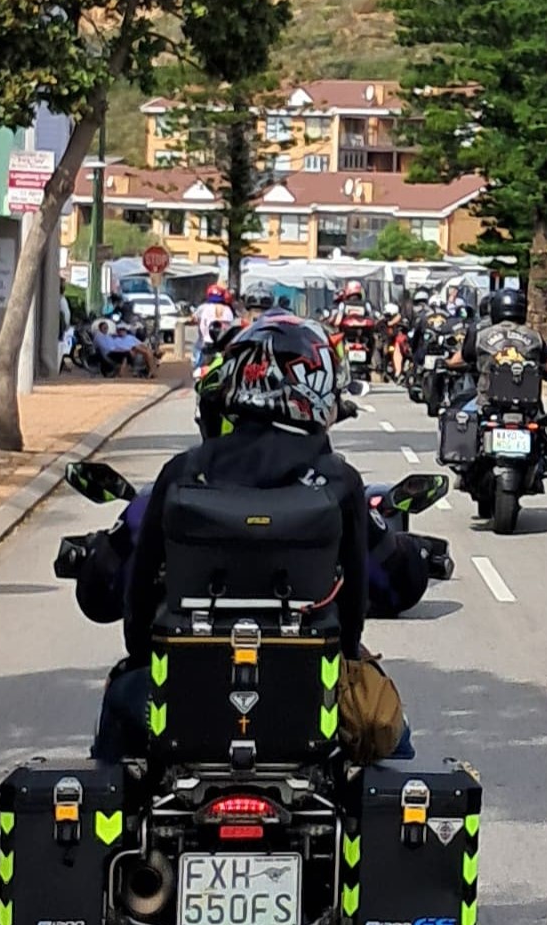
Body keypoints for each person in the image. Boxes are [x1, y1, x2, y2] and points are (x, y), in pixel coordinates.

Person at [92, 317, 372, 760]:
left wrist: (144, 657)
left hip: (179, 696)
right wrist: (350, 656)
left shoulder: (182, 471)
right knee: (388, 725)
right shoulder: (339, 481)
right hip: (311, 700)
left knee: (119, 703)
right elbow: (355, 600)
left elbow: (139, 590)